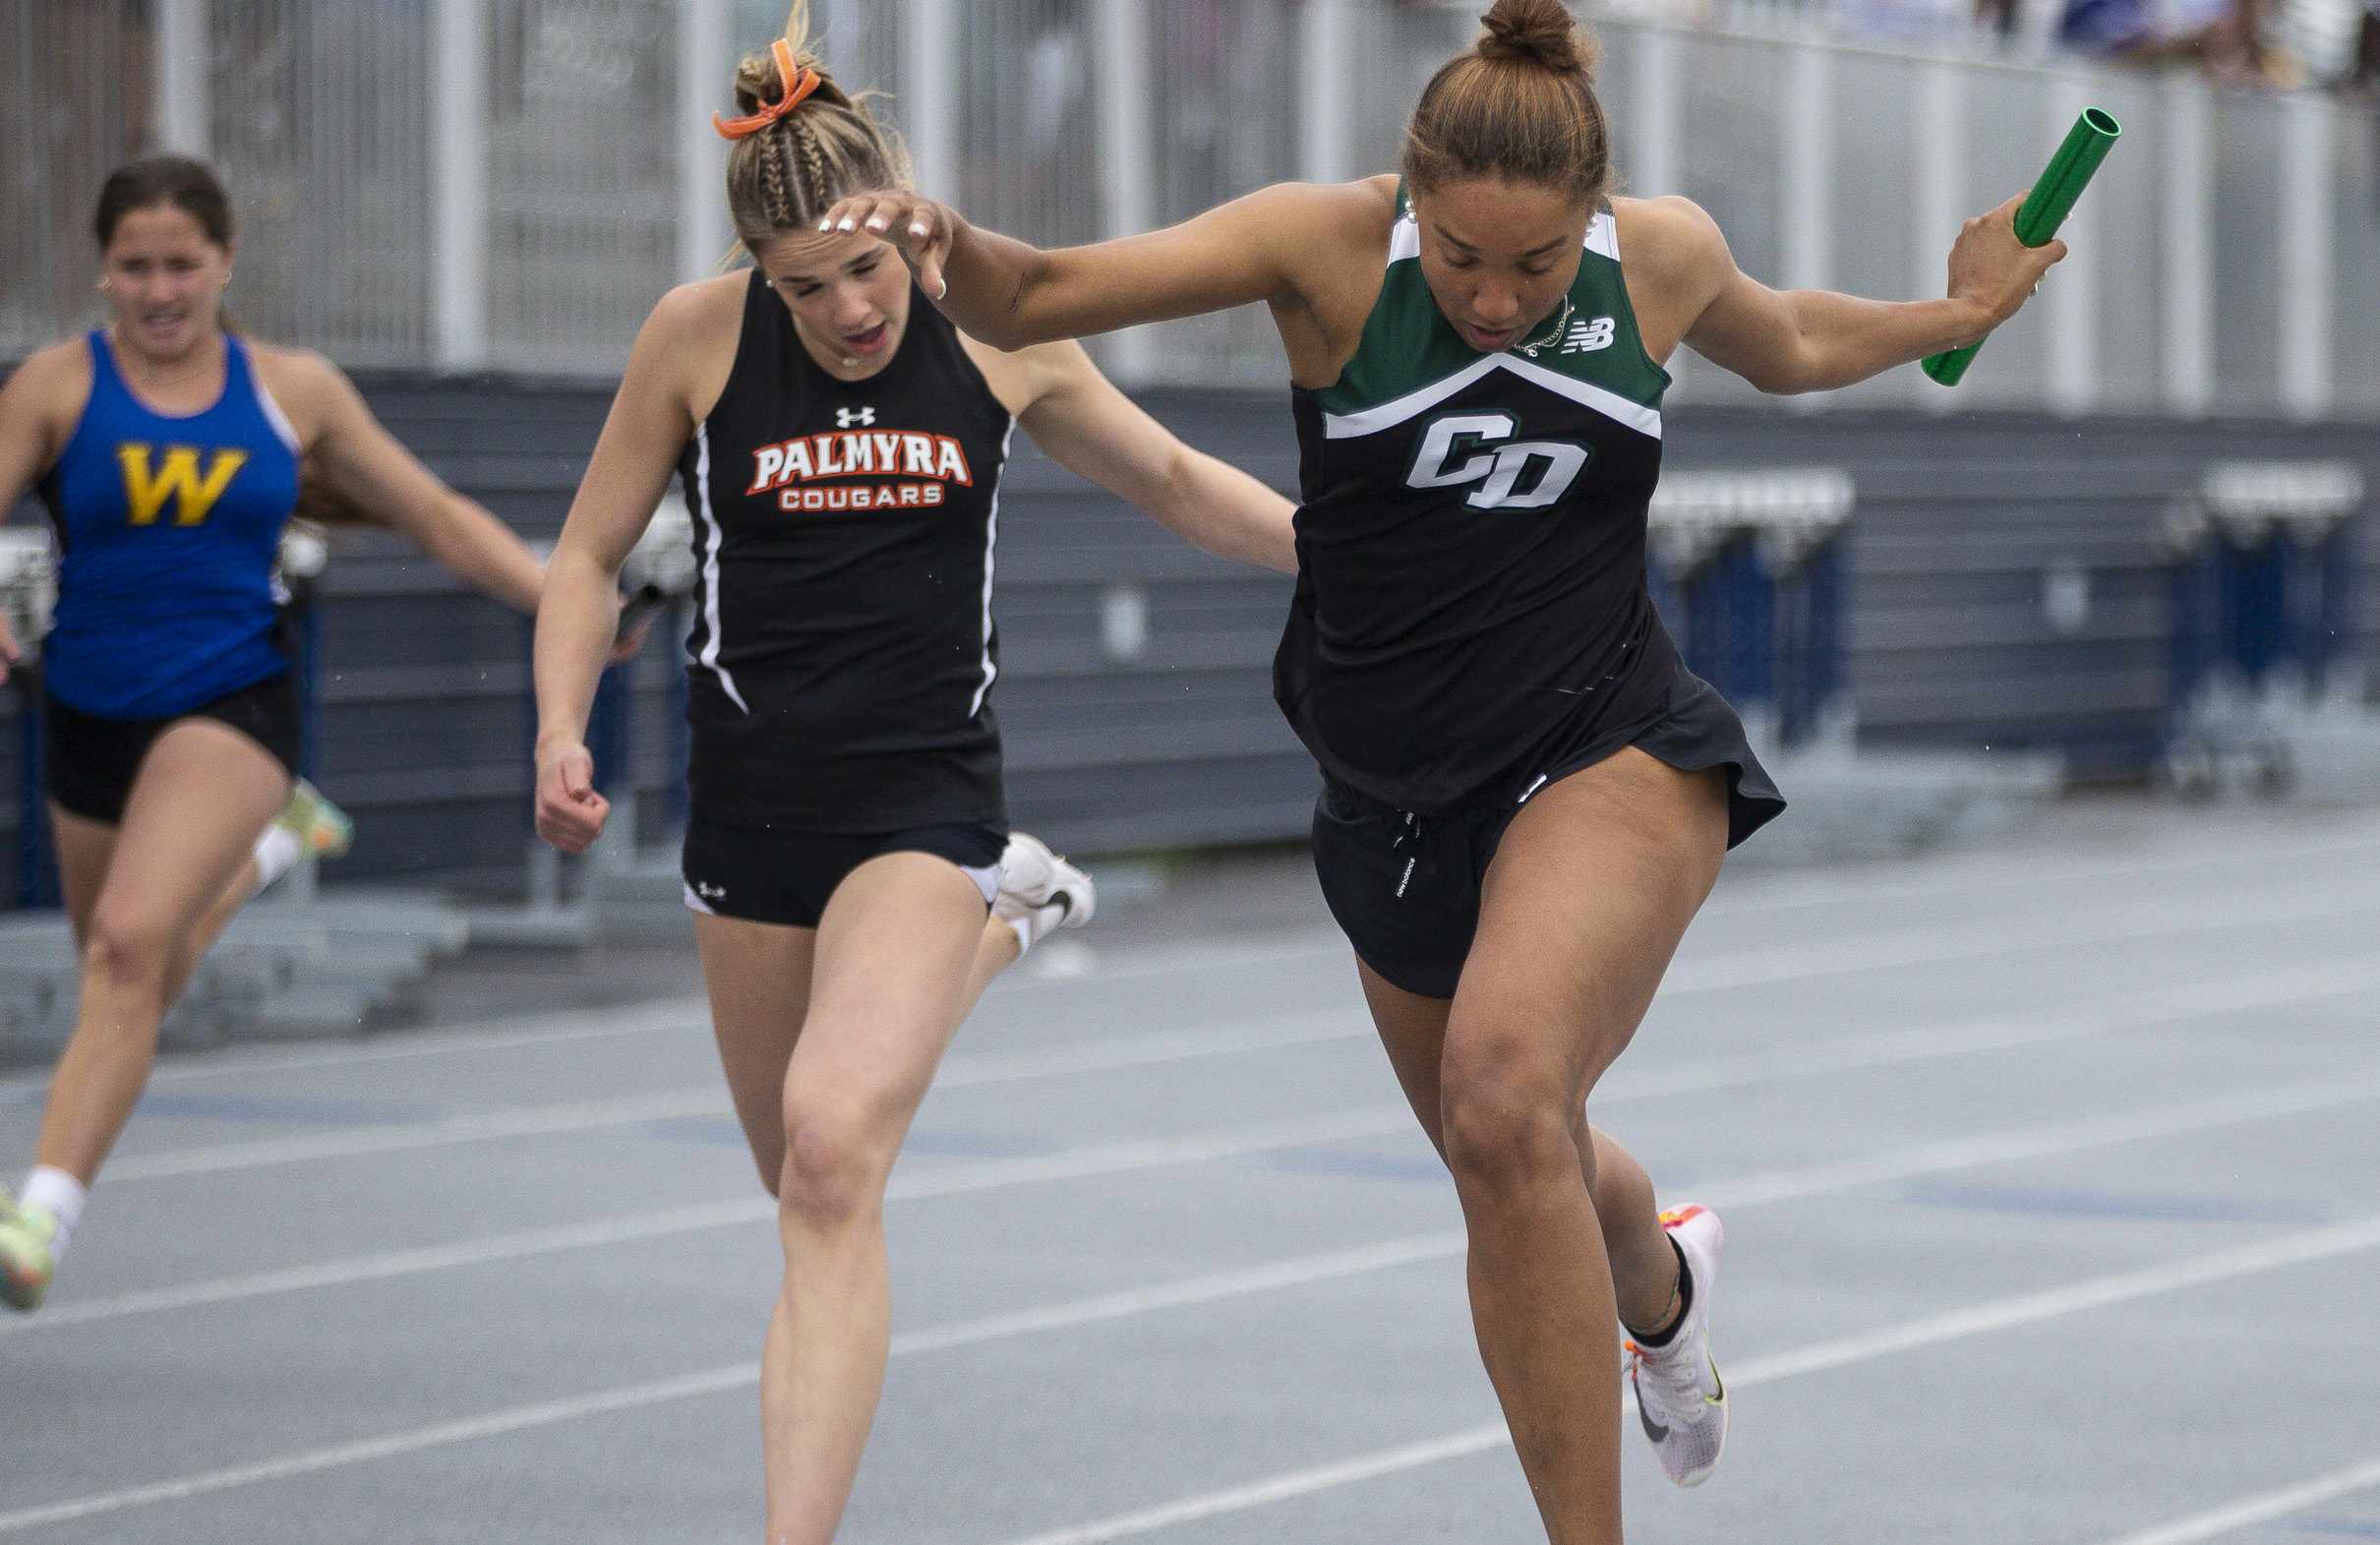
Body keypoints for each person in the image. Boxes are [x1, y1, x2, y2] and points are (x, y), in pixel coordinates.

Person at [822, 0, 2064, 1535]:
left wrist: (1957, 314)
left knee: (1499, 1093)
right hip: (1394, 790)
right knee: (1517, 1148)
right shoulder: (1322, 250)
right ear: (1407, 201)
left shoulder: (1658, 256)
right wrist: (939, 234)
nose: (1494, 296)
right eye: (1463, 258)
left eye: (1536, 268)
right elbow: (1048, 287)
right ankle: (1662, 1283)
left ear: (1590, 225)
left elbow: (1796, 337)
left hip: (1607, 742)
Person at [529, 10, 1298, 1541]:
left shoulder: (998, 336)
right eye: (803, 288)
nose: (845, 311)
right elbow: (584, 554)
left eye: (865, 271)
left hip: (919, 801)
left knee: (827, 1156)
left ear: (905, 226)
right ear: (760, 271)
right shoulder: (695, 337)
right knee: (805, 1171)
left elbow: (1169, 477)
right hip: (749, 818)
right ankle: (1014, 911)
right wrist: (560, 721)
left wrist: (1352, 556)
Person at [0, 154, 637, 1313]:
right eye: (135, 266)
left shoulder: (290, 388)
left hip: (233, 703)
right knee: (127, 973)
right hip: (88, 712)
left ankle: (41, 1205)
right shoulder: (55, 386)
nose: (158, 289)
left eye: (181, 264)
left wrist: (562, 602)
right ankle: (275, 848)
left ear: (224, 262)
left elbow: (431, 511)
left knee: (131, 951)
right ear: (103, 269)